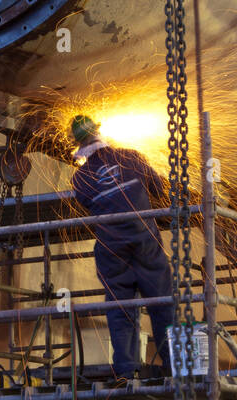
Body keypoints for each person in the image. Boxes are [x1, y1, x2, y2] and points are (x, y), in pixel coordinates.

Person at [68, 114, 174, 381]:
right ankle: (173, 366)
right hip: (144, 242)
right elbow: (159, 189)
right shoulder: (131, 157)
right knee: (162, 304)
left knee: (120, 309)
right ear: (100, 134)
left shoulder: (80, 179)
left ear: (78, 145)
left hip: (112, 249)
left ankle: (126, 369)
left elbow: (90, 205)